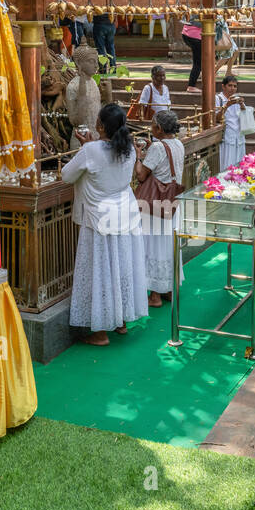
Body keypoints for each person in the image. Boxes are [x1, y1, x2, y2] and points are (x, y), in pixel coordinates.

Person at [62, 103, 148, 346]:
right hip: (124, 213)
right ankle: (120, 321)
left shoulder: (91, 151)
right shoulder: (129, 148)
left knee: (100, 271)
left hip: (99, 217)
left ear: (99, 126)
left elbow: (66, 175)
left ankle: (100, 332)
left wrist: (87, 148)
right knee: (122, 265)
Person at [135, 110, 185, 308]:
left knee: (154, 246)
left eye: (153, 125)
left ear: (160, 128)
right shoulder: (178, 143)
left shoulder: (157, 147)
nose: (150, 128)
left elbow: (141, 175)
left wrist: (139, 157)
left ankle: (155, 294)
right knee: (169, 245)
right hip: (172, 201)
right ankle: (170, 289)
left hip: (156, 204)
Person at [217, 74, 247, 171]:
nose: (232, 88)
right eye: (230, 85)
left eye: (235, 86)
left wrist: (242, 106)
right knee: (227, 163)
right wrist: (227, 105)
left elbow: (245, 119)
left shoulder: (237, 99)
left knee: (239, 164)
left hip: (239, 137)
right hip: (226, 137)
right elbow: (216, 118)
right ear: (223, 86)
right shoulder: (218, 99)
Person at [182, 15, 204, 93]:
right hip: (195, 36)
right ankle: (191, 86)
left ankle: (199, 76)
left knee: (199, 61)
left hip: (186, 33)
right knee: (198, 63)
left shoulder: (195, 8)